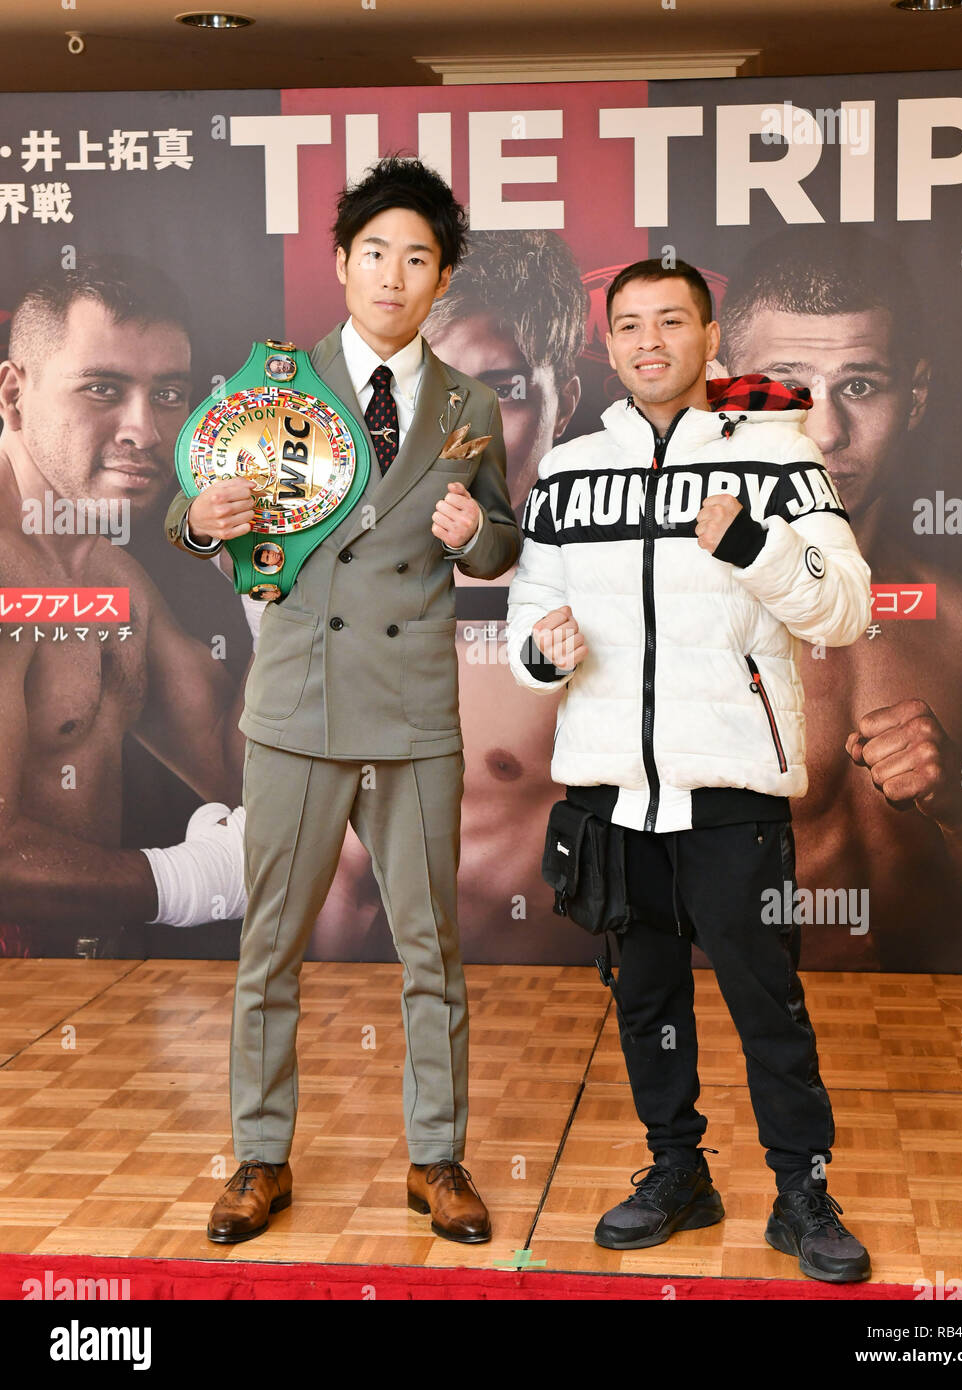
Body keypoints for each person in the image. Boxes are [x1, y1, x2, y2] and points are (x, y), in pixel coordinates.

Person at [165, 157, 521, 1245]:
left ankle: (437, 1157)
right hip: (297, 706)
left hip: (414, 708)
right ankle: (260, 1157)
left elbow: (504, 533)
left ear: (440, 278)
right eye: (374, 253)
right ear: (340, 262)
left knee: (431, 948)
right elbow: (202, 500)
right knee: (270, 944)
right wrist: (199, 517)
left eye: (417, 258)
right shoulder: (276, 384)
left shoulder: (468, 406)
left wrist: (481, 539)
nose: (392, 275)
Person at [507, 257, 873, 1282]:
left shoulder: (779, 461)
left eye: (671, 321)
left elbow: (844, 607)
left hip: (730, 791)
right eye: (628, 325)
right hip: (609, 792)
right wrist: (543, 650)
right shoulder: (572, 469)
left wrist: (754, 544)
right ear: (607, 342)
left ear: (710, 340)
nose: (649, 341)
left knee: (766, 999)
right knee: (645, 1000)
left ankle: (800, 1189)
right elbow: (526, 616)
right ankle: (677, 1170)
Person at [720, 228, 962, 971]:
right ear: (725, 394)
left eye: (860, 385)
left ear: (914, 397)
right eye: (786, 388)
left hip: (932, 1043)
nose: (825, 430)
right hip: (748, 1053)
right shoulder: (675, 619)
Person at [316, 230, 586, 960]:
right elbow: (343, 878)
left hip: (573, 1021)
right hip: (409, 1021)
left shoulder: (619, 585)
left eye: (502, 391)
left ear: (565, 404)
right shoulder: (357, 591)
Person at [0, 258, 248, 959]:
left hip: (81, 1006)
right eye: (103, 389)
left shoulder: (115, 579)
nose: (145, 429)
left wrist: (274, 591)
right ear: (14, 395)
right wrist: (183, 884)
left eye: (169, 394)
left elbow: (237, 777)